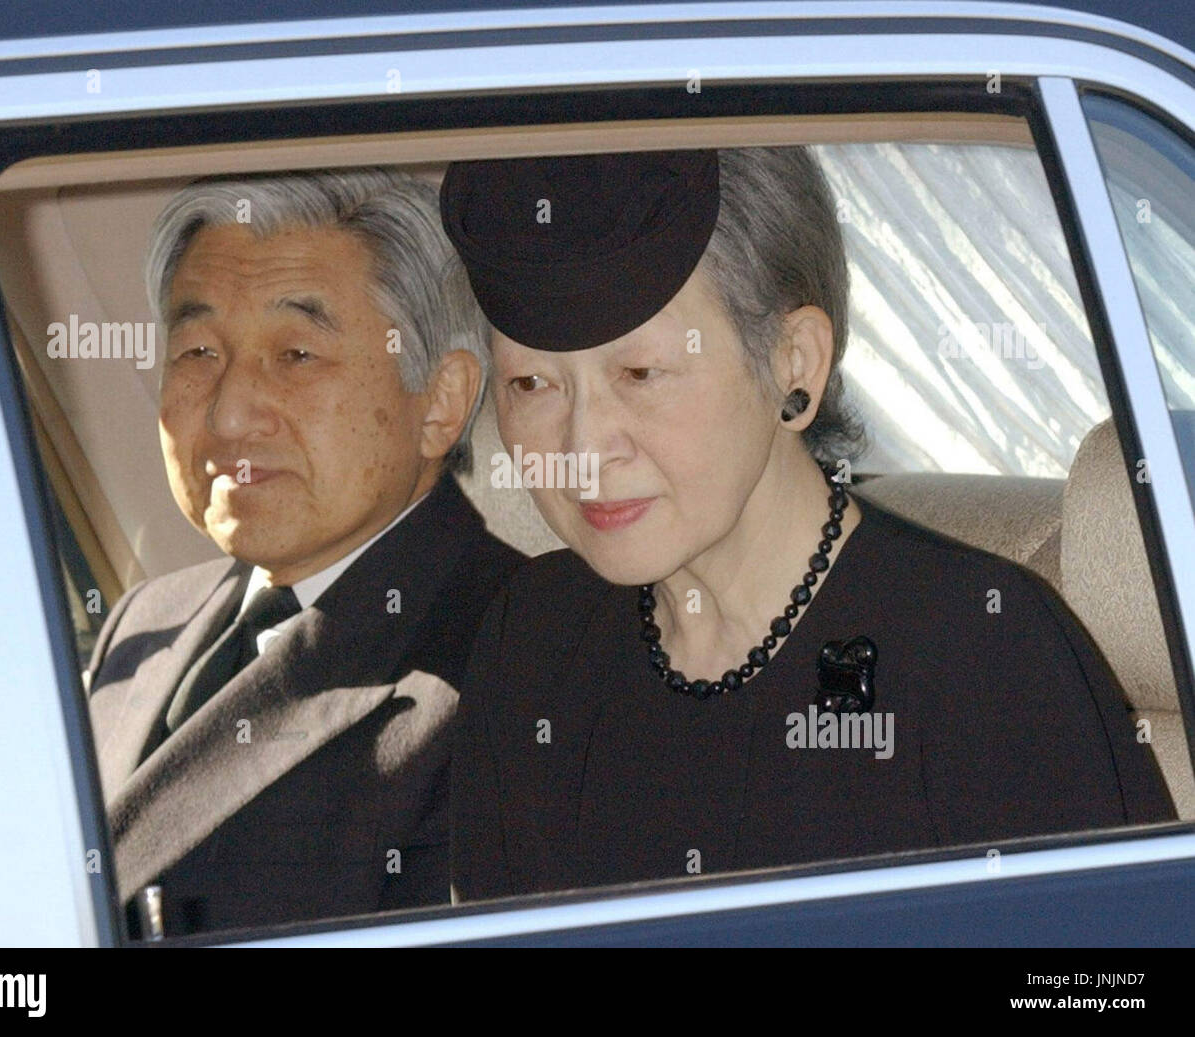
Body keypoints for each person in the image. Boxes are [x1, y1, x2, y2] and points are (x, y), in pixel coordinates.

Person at [439, 146, 1176, 902]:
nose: (584, 448)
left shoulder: (985, 658)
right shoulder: (529, 636)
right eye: (531, 383)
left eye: (640, 374)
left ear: (794, 362)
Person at [86, 169, 523, 936]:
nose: (228, 412)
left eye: (294, 354)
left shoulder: (518, 672)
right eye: (196, 350)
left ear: (441, 402)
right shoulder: (147, 619)